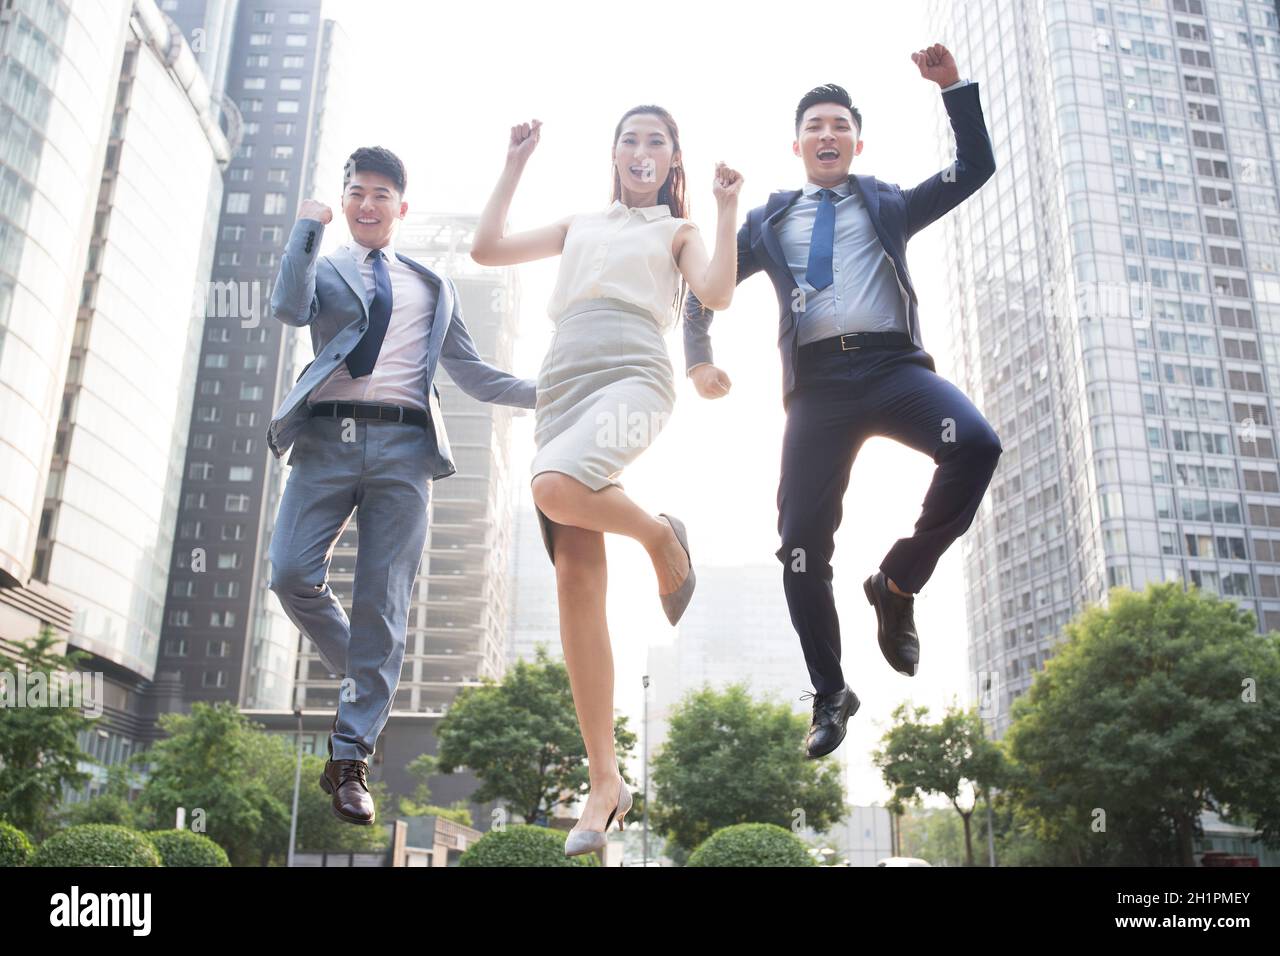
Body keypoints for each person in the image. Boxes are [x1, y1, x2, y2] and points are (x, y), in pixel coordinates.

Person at [685, 44, 1001, 759]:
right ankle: (831, 693)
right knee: (800, 547)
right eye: (814, 126)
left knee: (976, 442)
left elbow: (974, 168)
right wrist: (699, 359)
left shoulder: (888, 201)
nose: (827, 136)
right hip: (818, 390)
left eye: (839, 125)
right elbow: (704, 289)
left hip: (892, 368)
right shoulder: (768, 221)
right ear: (795, 145)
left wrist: (953, 88)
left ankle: (896, 583)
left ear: (857, 140)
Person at [471, 109, 742, 856]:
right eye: (630, 138)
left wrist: (724, 209)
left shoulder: (676, 232)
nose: (641, 150)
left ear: (673, 157)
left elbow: (715, 292)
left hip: (634, 374)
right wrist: (515, 162)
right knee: (575, 582)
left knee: (554, 485)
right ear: (614, 153)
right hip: (562, 382)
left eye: (657, 140)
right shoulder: (581, 221)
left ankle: (660, 537)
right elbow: (487, 247)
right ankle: (604, 782)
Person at [266, 146, 537, 824]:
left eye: (379, 193)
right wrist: (306, 226)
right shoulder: (325, 268)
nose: (366, 202)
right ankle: (367, 678)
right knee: (291, 574)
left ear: (400, 207)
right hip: (327, 439)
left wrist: (552, 391)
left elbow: (476, 376)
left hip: (404, 450)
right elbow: (287, 306)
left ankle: (350, 756)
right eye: (355, 191)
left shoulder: (433, 286)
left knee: (383, 604)